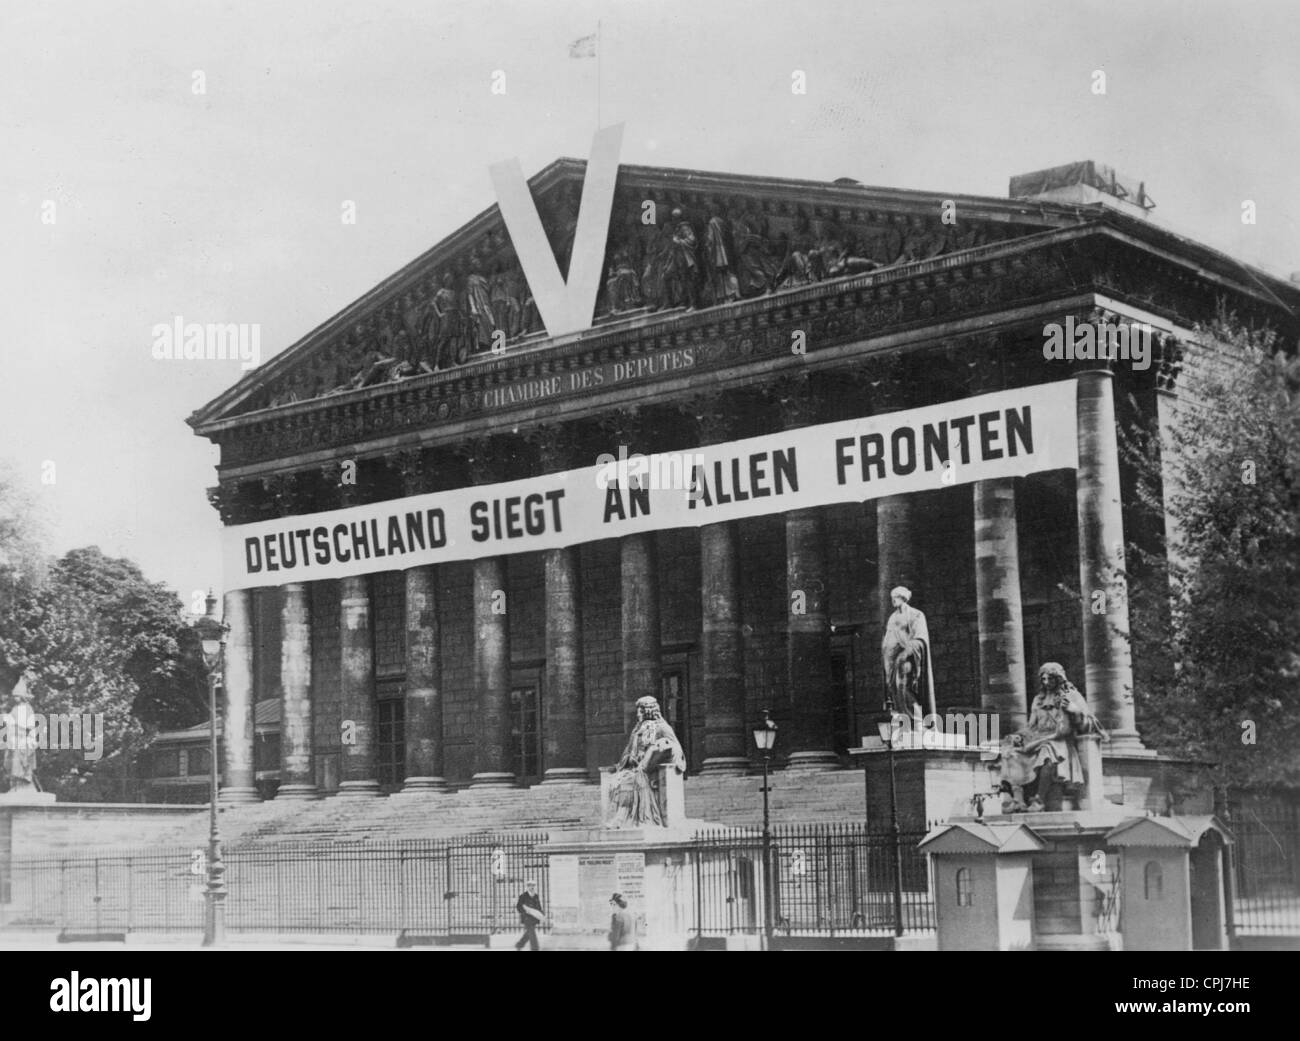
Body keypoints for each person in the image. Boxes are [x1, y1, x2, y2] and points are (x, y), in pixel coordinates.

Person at [999, 662, 1106, 811]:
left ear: (1059, 679)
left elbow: (1089, 725)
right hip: (1038, 738)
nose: (1046, 683)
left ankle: (1039, 799)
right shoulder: (1038, 700)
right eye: (1043, 679)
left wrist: (1074, 710)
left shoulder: (1071, 696)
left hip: (1060, 741)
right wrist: (1017, 736)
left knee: (1047, 751)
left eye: (1050, 679)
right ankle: (1018, 800)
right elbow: (1031, 726)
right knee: (1011, 752)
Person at [605, 696, 686, 828]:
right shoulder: (637, 730)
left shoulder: (662, 727)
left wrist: (660, 746)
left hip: (651, 770)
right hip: (634, 768)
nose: (638, 714)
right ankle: (621, 817)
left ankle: (622, 818)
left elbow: (677, 749)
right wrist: (629, 758)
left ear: (649, 711)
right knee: (619, 779)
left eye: (641, 711)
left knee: (628, 780)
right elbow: (628, 751)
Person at [880, 586, 936, 717]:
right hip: (891, 660)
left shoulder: (916, 615)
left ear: (903, 598)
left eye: (896, 597)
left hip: (906, 657)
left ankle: (915, 719)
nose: (893, 601)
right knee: (894, 688)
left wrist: (906, 652)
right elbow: (888, 638)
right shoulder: (892, 618)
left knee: (903, 687)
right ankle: (904, 719)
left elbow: (921, 638)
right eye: (892, 598)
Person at [514, 879, 543, 951]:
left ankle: (519, 944)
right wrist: (525, 912)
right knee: (532, 932)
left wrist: (541, 914)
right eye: (530, 885)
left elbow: (538, 906)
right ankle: (535, 948)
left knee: (529, 933)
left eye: (533, 885)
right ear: (527, 887)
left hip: (534, 918)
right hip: (526, 918)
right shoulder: (523, 896)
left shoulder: (536, 896)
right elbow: (519, 907)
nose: (532, 887)